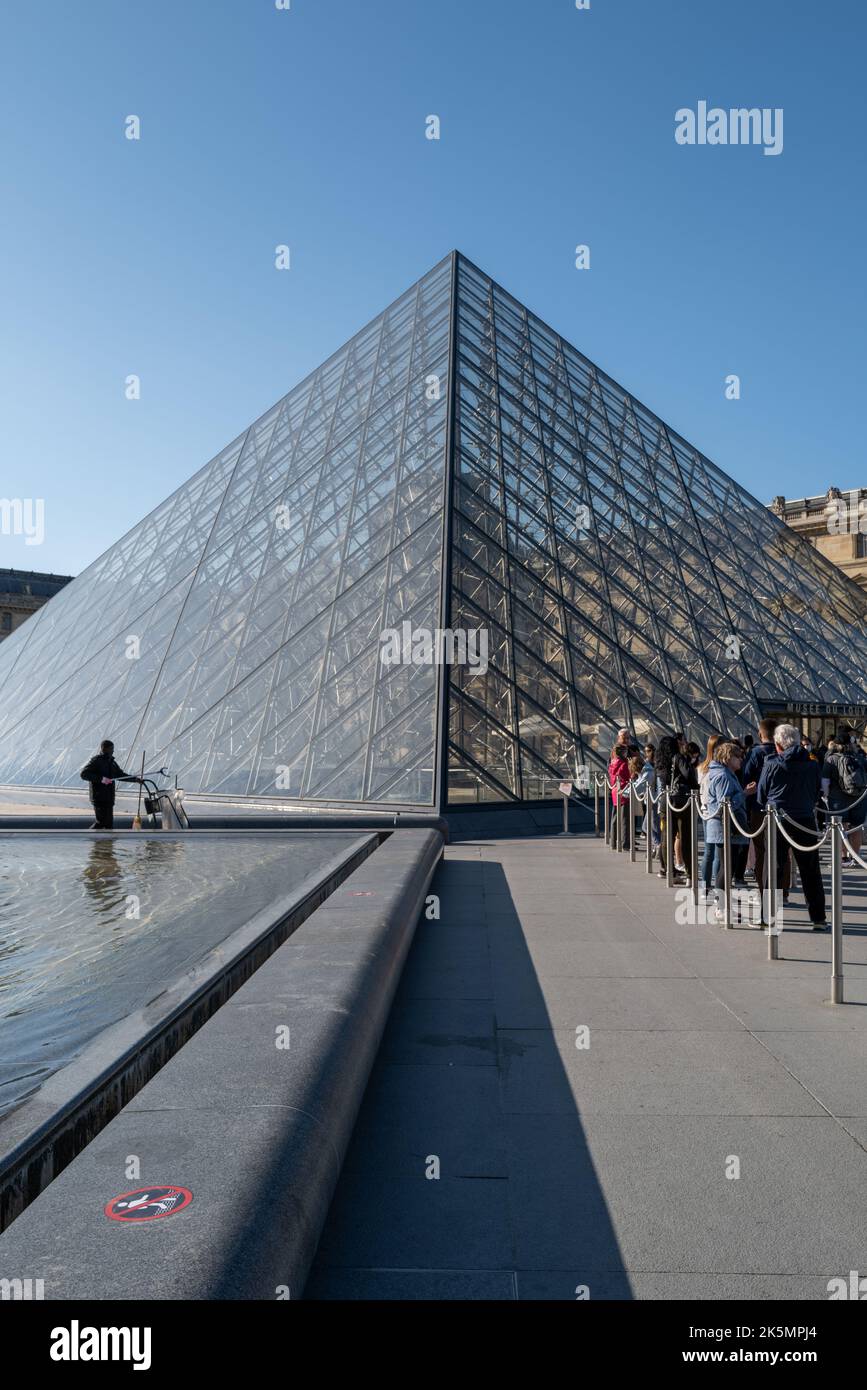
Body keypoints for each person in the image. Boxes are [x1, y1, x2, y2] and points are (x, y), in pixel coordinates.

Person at [756, 723, 827, 930]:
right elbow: (817, 794)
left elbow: (761, 796)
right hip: (805, 819)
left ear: (778, 745)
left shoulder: (771, 764)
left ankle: (768, 918)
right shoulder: (813, 765)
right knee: (810, 870)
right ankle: (818, 918)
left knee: (774, 868)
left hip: (777, 819)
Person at [700, 742, 749, 906]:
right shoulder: (723, 776)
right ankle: (720, 904)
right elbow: (725, 805)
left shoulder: (722, 773)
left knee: (727, 865)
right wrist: (744, 793)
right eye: (738, 756)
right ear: (728, 758)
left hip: (725, 827)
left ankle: (722, 900)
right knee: (727, 866)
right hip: (726, 828)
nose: (741, 759)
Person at [743, 718, 786, 904]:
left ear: (760, 734)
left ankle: (763, 891)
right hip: (782, 809)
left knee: (761, 850)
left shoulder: (755, 753)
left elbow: (745, 777)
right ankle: (783, 893)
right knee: (782, 851)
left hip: (758, 808)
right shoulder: (784, 753)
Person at [821, 736, 867, 868]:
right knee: (857, 828)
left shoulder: (831, 759)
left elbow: (825, 781)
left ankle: (843, 858)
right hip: (859, 797)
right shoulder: (859, 757)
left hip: (838, 799)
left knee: (840, 827)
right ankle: (856, 857)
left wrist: (825, 795)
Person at [80, 740, 132, 830]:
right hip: (99, 798)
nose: (113, 751)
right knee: (101, 822)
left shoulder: (112, 762)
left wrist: (136, 779)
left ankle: (107, 844)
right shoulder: (96, 761)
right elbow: (84, 774)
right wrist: (101, 779)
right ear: (104, 749)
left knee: (109, 825)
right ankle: (88, 837)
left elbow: (120, 775)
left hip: (109, 798)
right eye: (111, 749)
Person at [608, 740, 632, 848]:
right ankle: (625, 843)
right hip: (624, 791)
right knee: (625, 819)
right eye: (626, 751)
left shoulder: (612, 762)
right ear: (622, 752)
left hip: (615, 791)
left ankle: (613, 841)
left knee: (615, 818)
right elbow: (628, 777)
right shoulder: (624, 763)